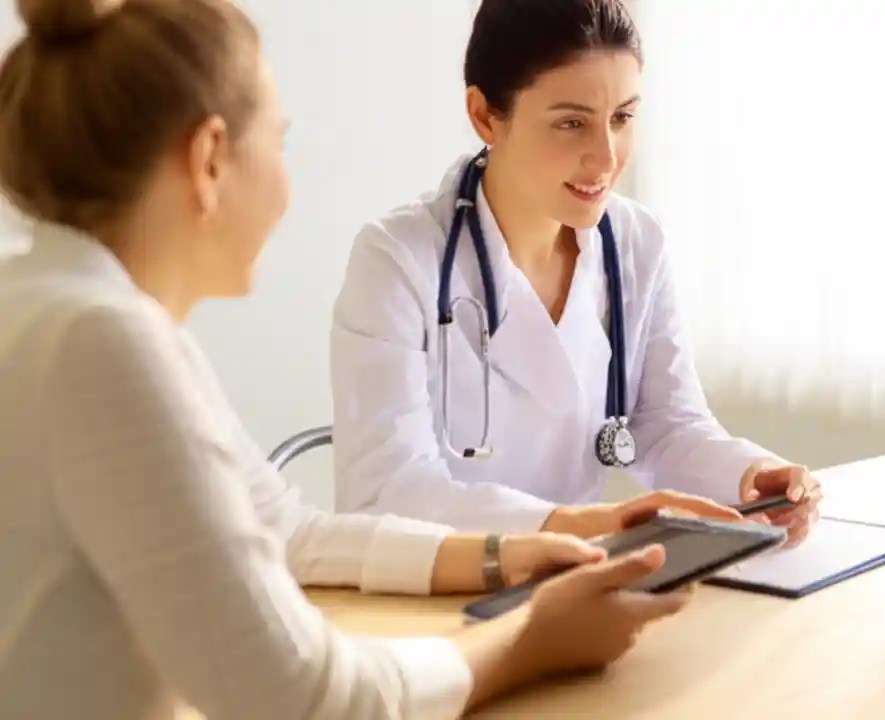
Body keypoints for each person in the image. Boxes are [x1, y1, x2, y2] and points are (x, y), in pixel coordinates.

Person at [0, 0, 694, 717]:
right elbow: (298, 696)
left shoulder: (66, 312)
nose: (287, 185)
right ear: (210, 160)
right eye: (280, 141)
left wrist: (509, 553)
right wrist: (529, 641)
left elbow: (291, 533)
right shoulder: (105, 347)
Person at [330, 0, 821, 545]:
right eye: (572, 123)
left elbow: (666, 425)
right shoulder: (397, 259)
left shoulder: (636, 242)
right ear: (485, 116)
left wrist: (750, 478)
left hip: (575, 578)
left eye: (622, 118)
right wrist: (578, 526)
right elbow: (386, 493)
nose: (606, 157)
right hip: (439, 589)